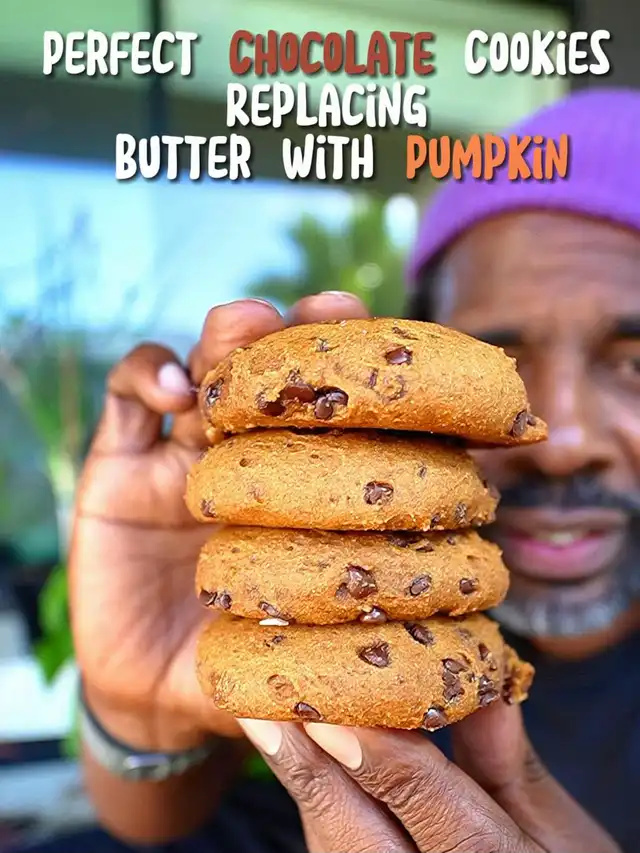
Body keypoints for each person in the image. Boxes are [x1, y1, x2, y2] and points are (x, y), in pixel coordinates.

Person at [67, 88, 640, 853]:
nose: (561, 439)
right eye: (504, 358)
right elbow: (160, 829)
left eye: (635, 364)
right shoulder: (305, 621)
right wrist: (140, 710)